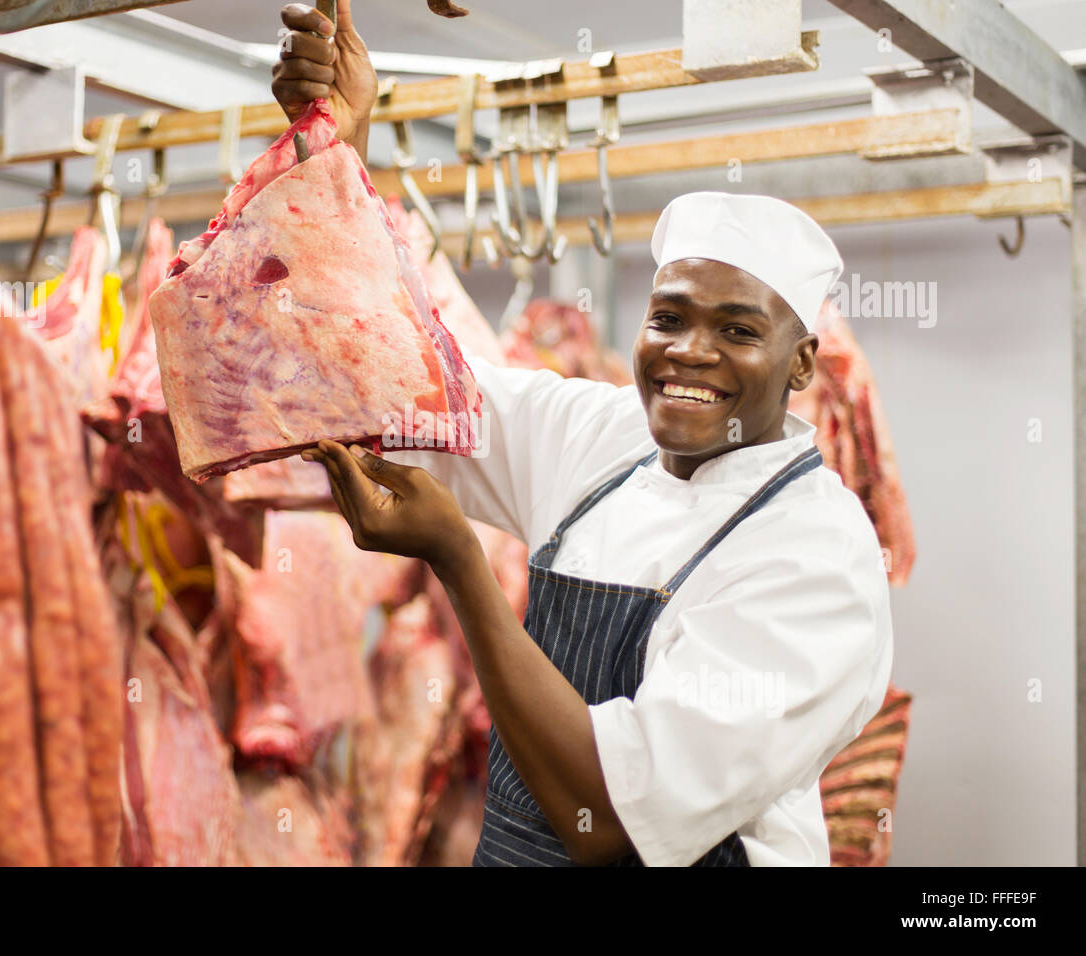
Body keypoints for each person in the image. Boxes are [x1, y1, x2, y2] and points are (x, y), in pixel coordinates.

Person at [276, 1, 893, 867]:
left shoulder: (817, 558)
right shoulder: (598, 436)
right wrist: (339, 141)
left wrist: (458, 561)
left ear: (801, 367)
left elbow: (609, 818)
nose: (689, 352)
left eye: (739, 331)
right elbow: (386, 383)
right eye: (668, 316)